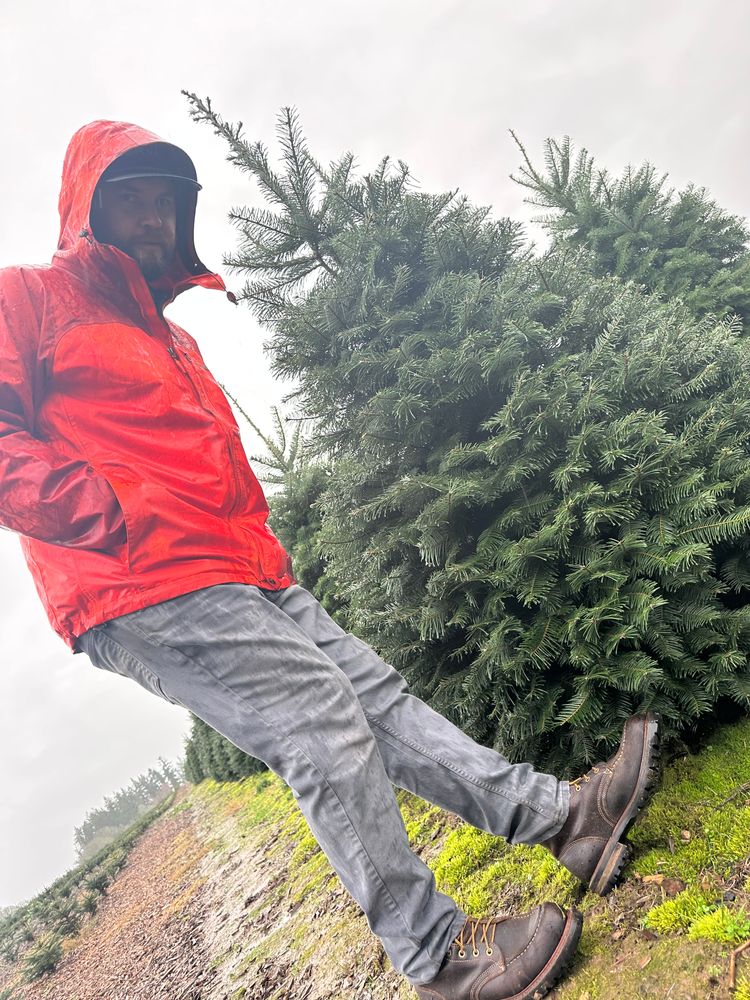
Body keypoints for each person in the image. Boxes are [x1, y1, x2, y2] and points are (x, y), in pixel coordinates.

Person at [0, 120, 661, 1000]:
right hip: (138, 579)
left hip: (243, 569)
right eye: (131, 196)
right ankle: (439, 962)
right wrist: (108, 509)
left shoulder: (173, 340)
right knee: (321, 721)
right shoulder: (29, 298)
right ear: (84, 204)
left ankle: (564, 819)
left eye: (167, 201)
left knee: (372, 696)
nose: (154, 217)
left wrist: (263, 557)